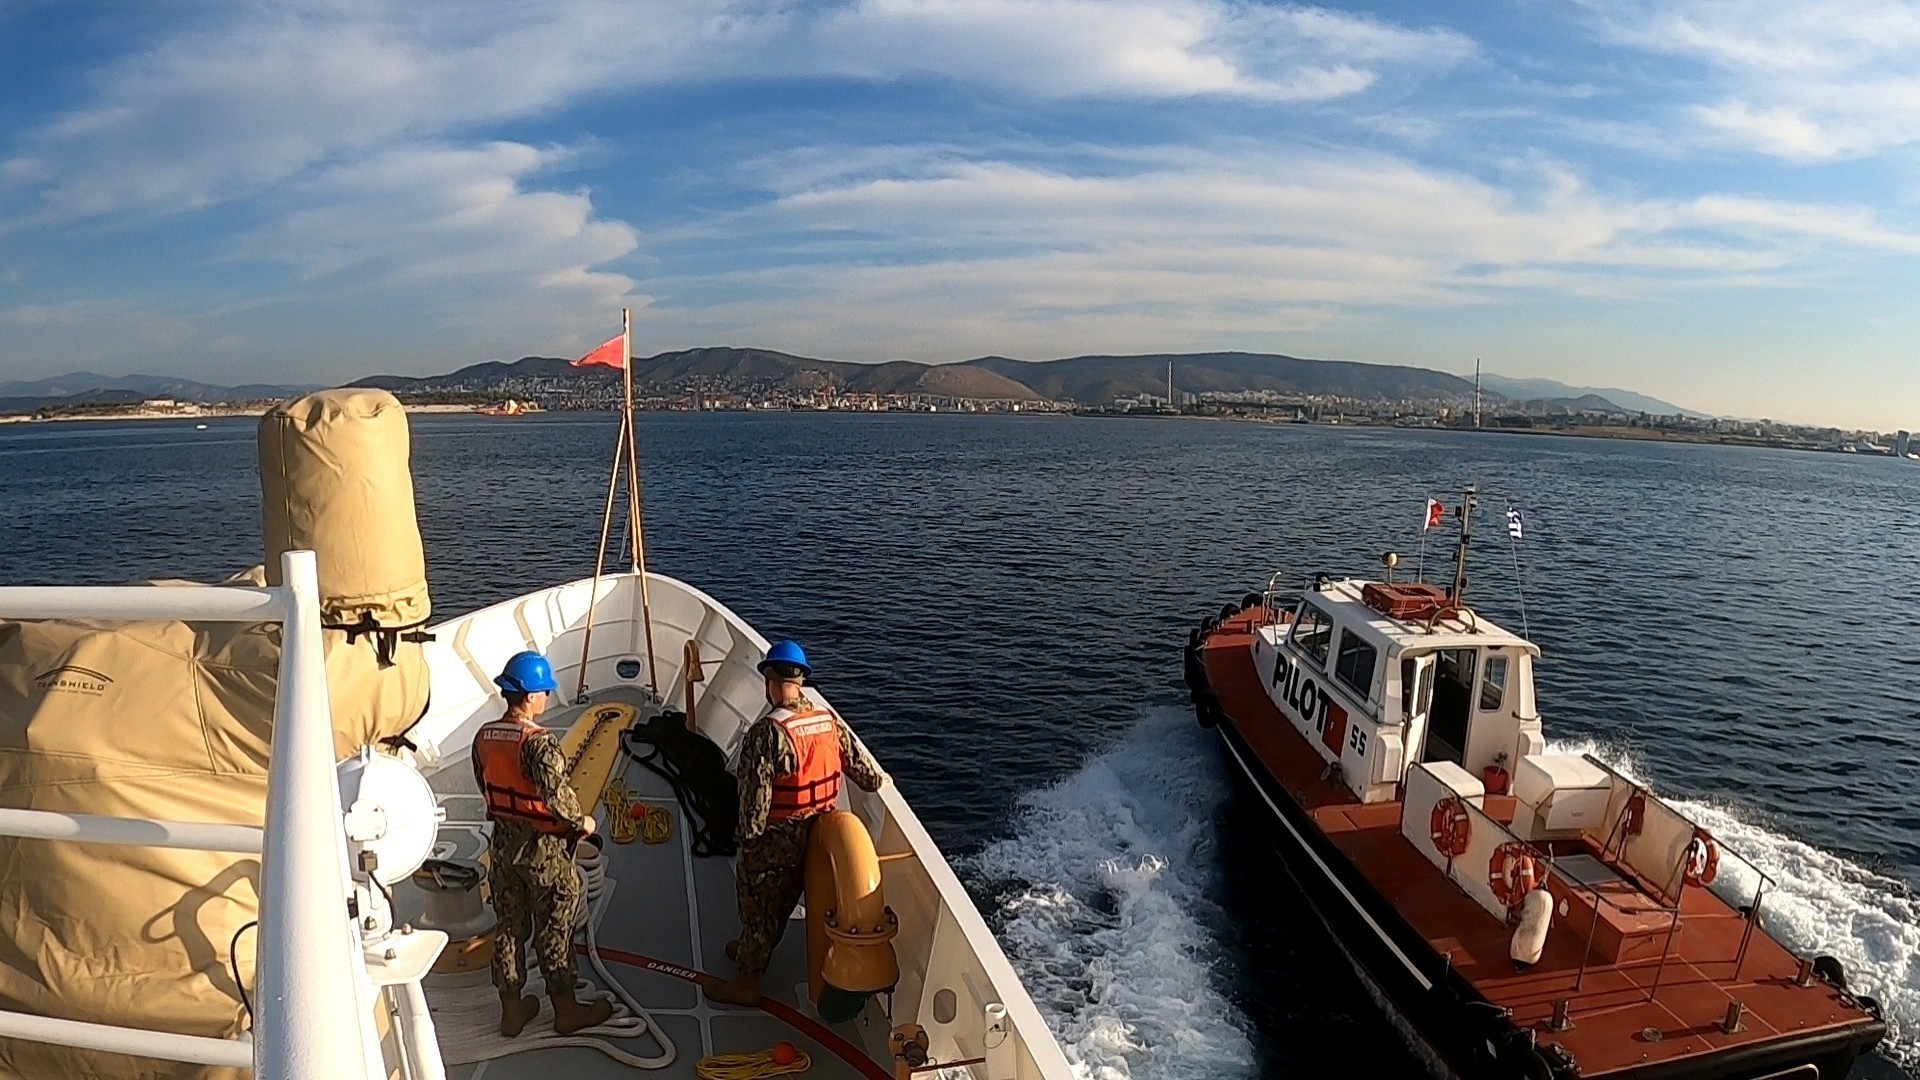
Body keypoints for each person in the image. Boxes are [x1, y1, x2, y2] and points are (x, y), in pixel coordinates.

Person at [704, 640, 888, 1005]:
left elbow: (754, 807)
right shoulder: (828, 721)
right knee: (784, 903)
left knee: (758, 908)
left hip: (777, 841)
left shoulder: (767, 733)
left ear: (770, 681)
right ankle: (752, 948)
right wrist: (884, 781)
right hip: (819, 838)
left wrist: (747, 844)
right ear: (801, 681)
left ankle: (747, 982)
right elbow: (867, 776)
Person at [472, 650, 614, 1037]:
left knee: (509, 927)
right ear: (532, 696)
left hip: (504, 847)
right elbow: (558, 800)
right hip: (544, 851)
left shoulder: (484, 736)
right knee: (555, 927)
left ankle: (512, 1010)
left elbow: (484, 783)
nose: (548, 698)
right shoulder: (540, 743)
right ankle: (566, 1010)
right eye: (545, 691)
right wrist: (583, 823)